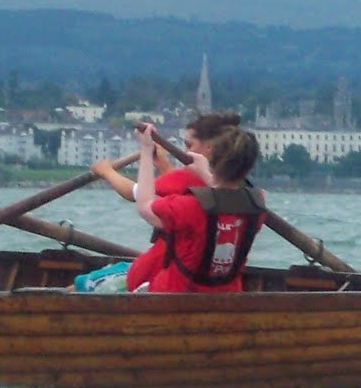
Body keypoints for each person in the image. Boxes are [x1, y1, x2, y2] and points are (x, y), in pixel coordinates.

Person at [91, 111, 242, 290]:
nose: (185, 151)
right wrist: (164, 166)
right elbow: (185, 191)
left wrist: (106, 172)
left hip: (160, 274)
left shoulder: (184, 182)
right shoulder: (246, 195)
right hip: (220, 287)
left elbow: (135, 194)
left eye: (189, 145)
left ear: (209, 148)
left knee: (84, 282)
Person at [134, 124, 266, 293]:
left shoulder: (189, 207)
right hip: (227, 298)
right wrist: (205, 174)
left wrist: (146, 149)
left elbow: (145, 206)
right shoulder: (257, 204)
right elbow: (226, 195)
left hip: (173, 297)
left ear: (212, 156)